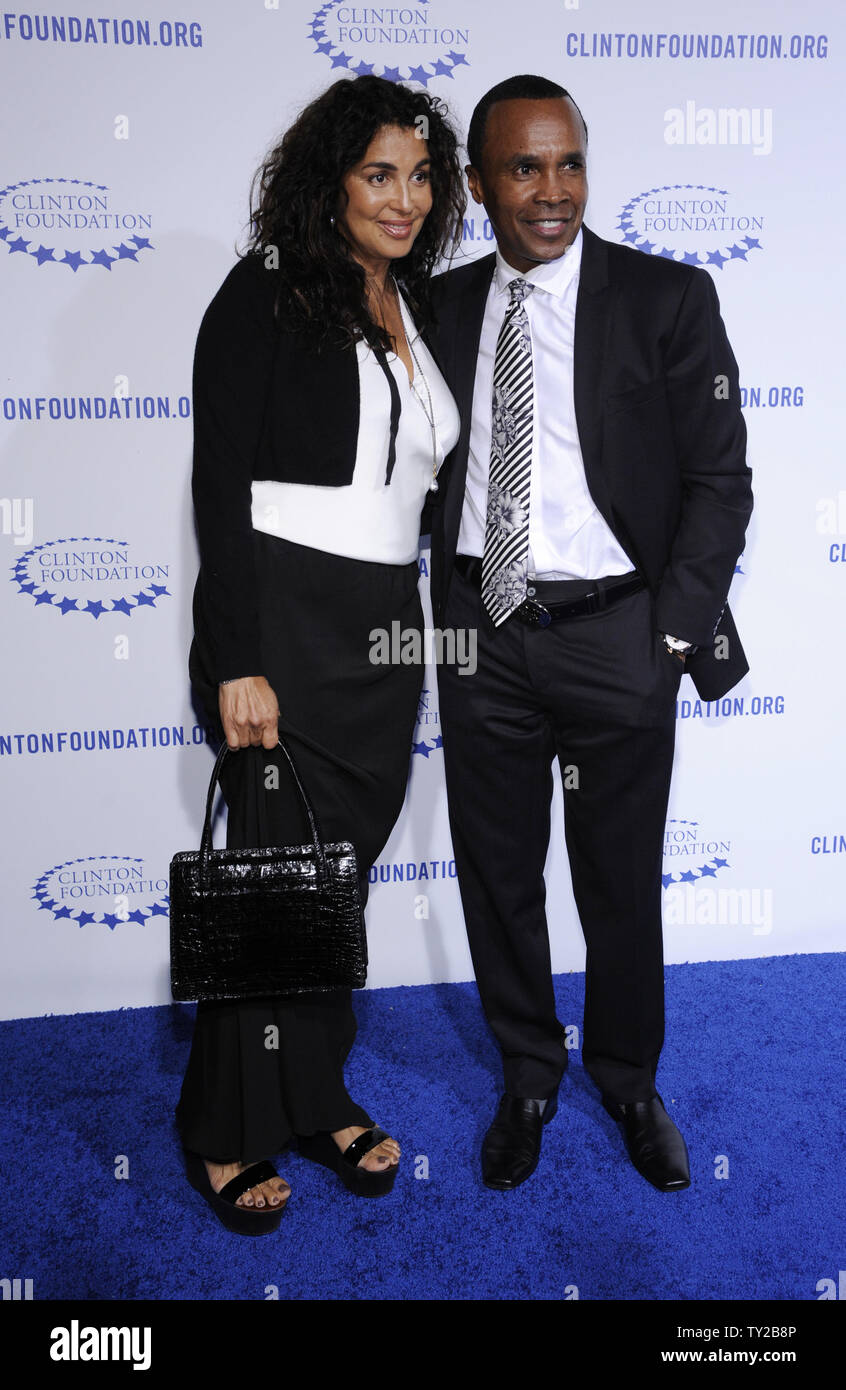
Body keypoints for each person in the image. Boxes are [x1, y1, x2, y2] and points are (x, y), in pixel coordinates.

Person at [429, 75, 753, 1192]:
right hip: (483, 628)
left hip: (619, 634)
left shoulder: (667, 299)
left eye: (569, 163)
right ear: (476, 185)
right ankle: (528, 1072)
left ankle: (625, 1075)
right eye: (524, 168)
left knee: (618, 878)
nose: (553, 190)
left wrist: (669, 636)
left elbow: (721, 482)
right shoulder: (436, 309)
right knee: (499, 873)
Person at [176, 75, 464, 1234]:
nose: (405, 198)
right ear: (332, 180)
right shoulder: (264, 296)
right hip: (283, 624)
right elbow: (220, 483)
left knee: (333, 882)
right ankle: (229, 1134)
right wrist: (236, 653)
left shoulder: (419, 304)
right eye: (379, 174)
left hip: (384, 628)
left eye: (421, 175)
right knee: (277, 887)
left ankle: (315, 1090)